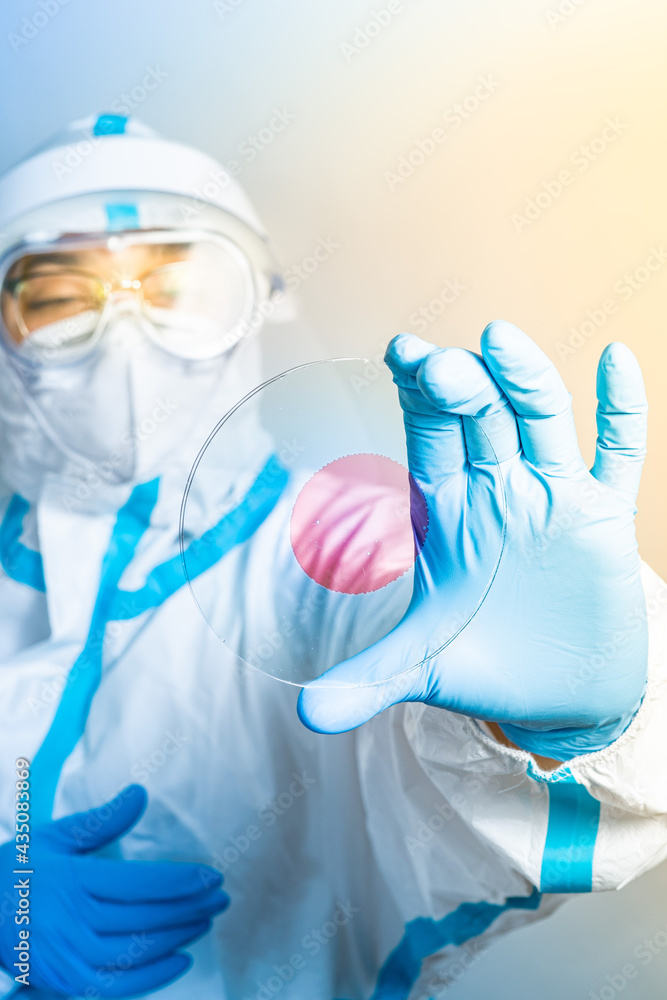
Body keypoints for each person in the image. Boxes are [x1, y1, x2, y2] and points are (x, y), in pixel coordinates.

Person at [0, 113, 665, 1000]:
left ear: (259, 304)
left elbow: (397, 624)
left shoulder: (332, 541)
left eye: (179, 289)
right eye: (58, 297)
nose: (126, 341)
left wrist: (568, 725)